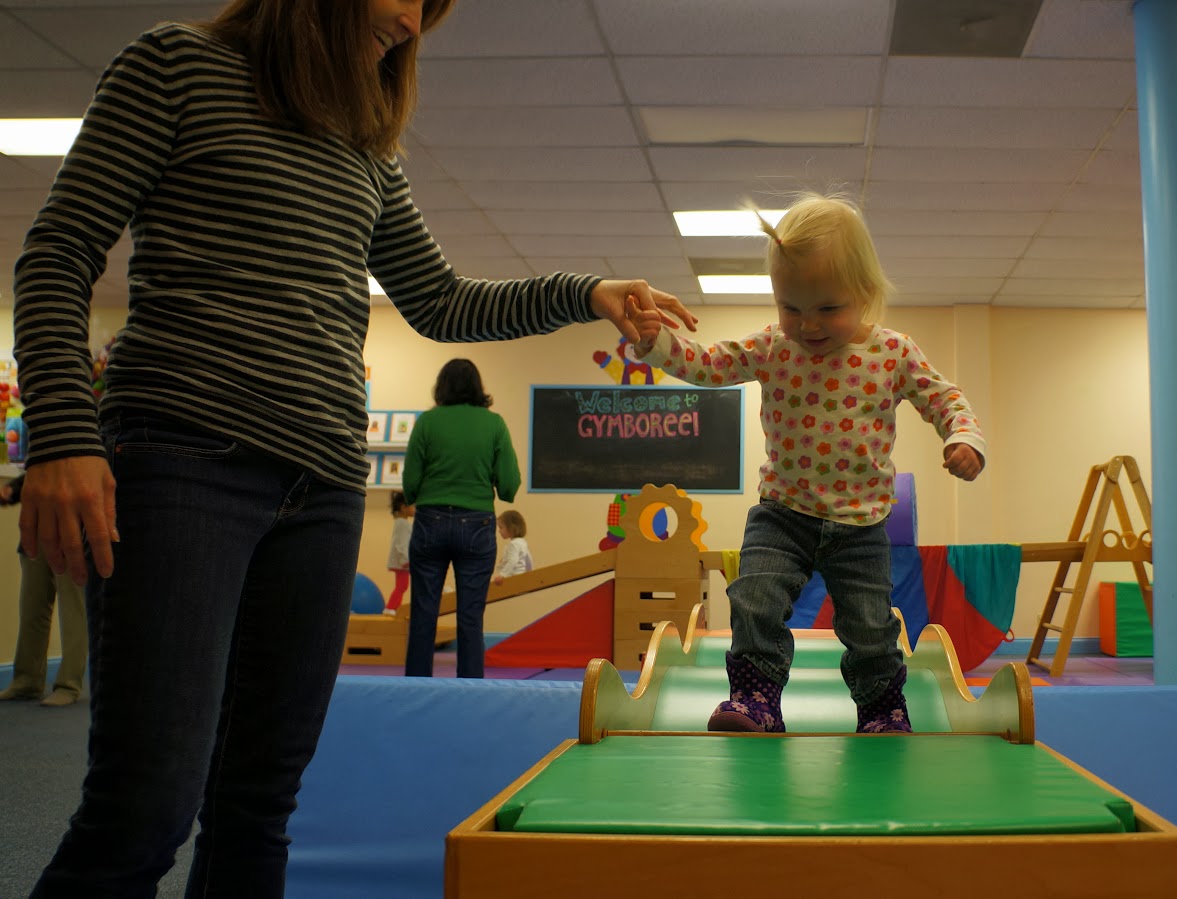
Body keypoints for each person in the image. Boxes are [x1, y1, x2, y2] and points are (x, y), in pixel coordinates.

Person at [9, 0, 694, 894]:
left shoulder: (369, 143)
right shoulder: (175, 64)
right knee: (143, 804)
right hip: (182, 460)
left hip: (323, 490)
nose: (411, 21)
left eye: (430, 6)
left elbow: (441, 300)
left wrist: (587, 290)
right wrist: (62, 432)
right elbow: (57, 251)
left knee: (259, 803)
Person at [627, 193, 987, 734]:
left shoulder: (893, 352)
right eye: (791, 308)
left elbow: (944, 398)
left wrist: (964, 435)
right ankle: (755, 699)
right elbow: (710, 365)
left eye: (827, 308)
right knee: (753, 599)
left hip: (862, 523)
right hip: (783, 513)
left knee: (869, 626)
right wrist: (659, 346)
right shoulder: (773, 346)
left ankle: (882, 709)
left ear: (864, 295)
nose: (808, 325)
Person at [402, 359, 520, 679]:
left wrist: (419, 495)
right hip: (477, 526)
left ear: (441, 387)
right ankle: (470, 691)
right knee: (471, 618)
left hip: (430, 522)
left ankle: (415, 689)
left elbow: (410, 483)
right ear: (477, 387)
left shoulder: (428, 422)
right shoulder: (494, 424)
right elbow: (509, 483)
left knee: (423, 614)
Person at [0, 475, 88, 707]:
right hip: (37, 530)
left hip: (73, 531)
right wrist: (13, 489)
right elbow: (40, 469)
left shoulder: (92, 439)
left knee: (72, 613)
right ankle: (26, 682)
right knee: (32, 609)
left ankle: (68, 685)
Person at [382, 491, 414, 615]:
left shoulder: (402, 523)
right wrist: (405, 560)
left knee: (402, 585)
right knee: (402, 586)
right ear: (403, 507)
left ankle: (393, 607)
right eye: (413, 506)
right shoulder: (402, 524)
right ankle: (390, 607)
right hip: (402, 561)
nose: (415, 509)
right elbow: (400, 544)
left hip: (402, 560)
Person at [492, 509, 533, 586]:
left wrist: (502, 575)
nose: (499, 531)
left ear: (511, 527)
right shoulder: (522, 542)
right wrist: (530, 573)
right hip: (520, 576)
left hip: (512, 577)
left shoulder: (513, 544)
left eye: (501, 527)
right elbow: (528, 559)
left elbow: (512, 560)